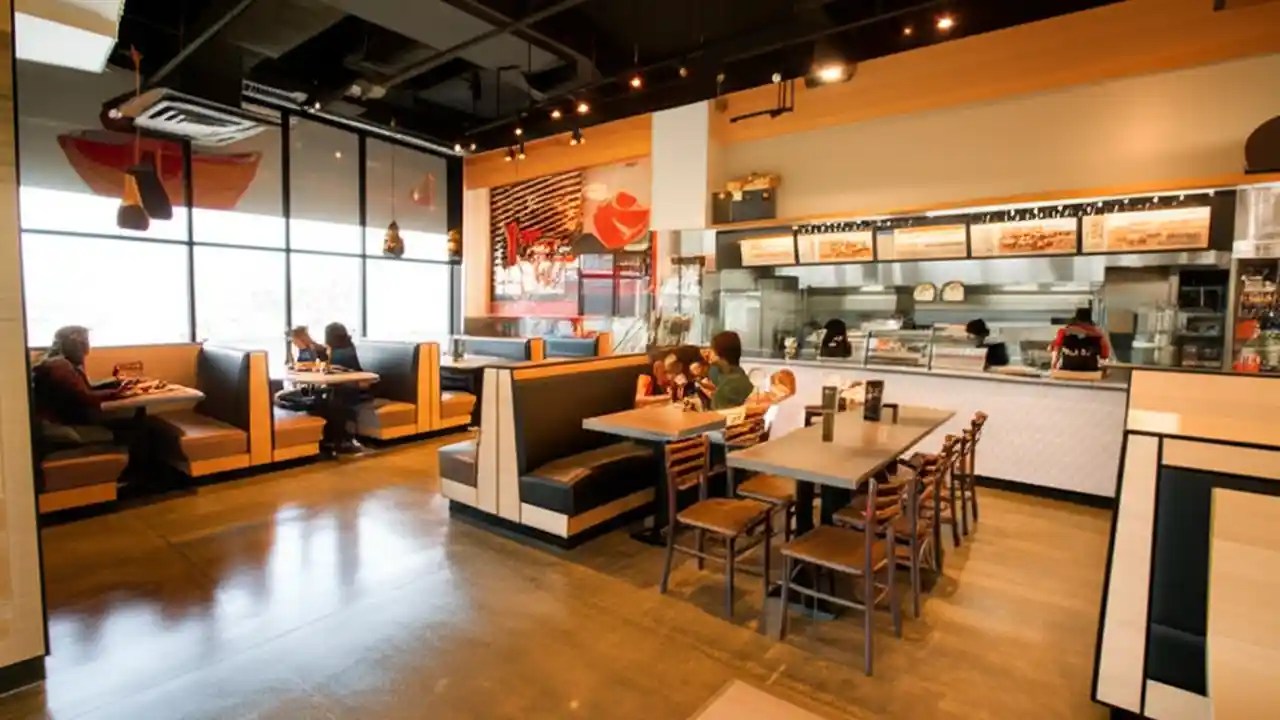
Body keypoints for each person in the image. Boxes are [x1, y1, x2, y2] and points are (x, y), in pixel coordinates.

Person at [31, 325, 129, 447]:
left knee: (149, 425)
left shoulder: (57, 362)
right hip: (68, 428)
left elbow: (83, 388)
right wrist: (117, 393)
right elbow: (85, 397)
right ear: (73, 344)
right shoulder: (60, 365)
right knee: (150, 429)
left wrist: (115, 384)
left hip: (65, 425)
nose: (86, 350)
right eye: (84, 344)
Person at [315, 323, 367, 454]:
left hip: (352, 388)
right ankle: (332, 439)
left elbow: (338, 369)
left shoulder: (343, 352)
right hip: (347, 386)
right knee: (325, 399)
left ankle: (339, 440)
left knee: (334, 402)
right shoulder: (345, 347)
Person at [1051, 307, 1111, 371]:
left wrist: (1054, 364)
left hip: (1067, 368)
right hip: (1089, 370)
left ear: (1076, 319)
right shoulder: (1098, 334)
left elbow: (1056, 350)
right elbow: (1105, 355)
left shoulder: (1063, 332)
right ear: (1090, 319)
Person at [707, 331, 754, 410]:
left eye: (711, 348)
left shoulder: (727, 388)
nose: (708, 352)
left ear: (719, 352)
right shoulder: (740, 377)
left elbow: (717, 417)